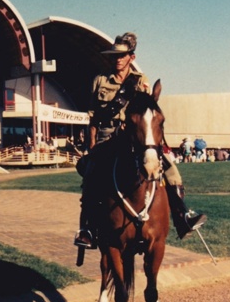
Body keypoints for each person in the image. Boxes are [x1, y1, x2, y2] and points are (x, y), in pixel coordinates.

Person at [74, 32, 206, 249]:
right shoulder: (100, 80)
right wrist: (92, 146)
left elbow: (148, 112)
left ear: (131, 58)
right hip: (107, 138)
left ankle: (183, 215)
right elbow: (93, 117)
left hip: (132, 137)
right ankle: (87, 229)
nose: (117, 59)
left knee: (170, 169)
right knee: (91, 176)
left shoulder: (140, 82)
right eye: (115, 55)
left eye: (122, 55)